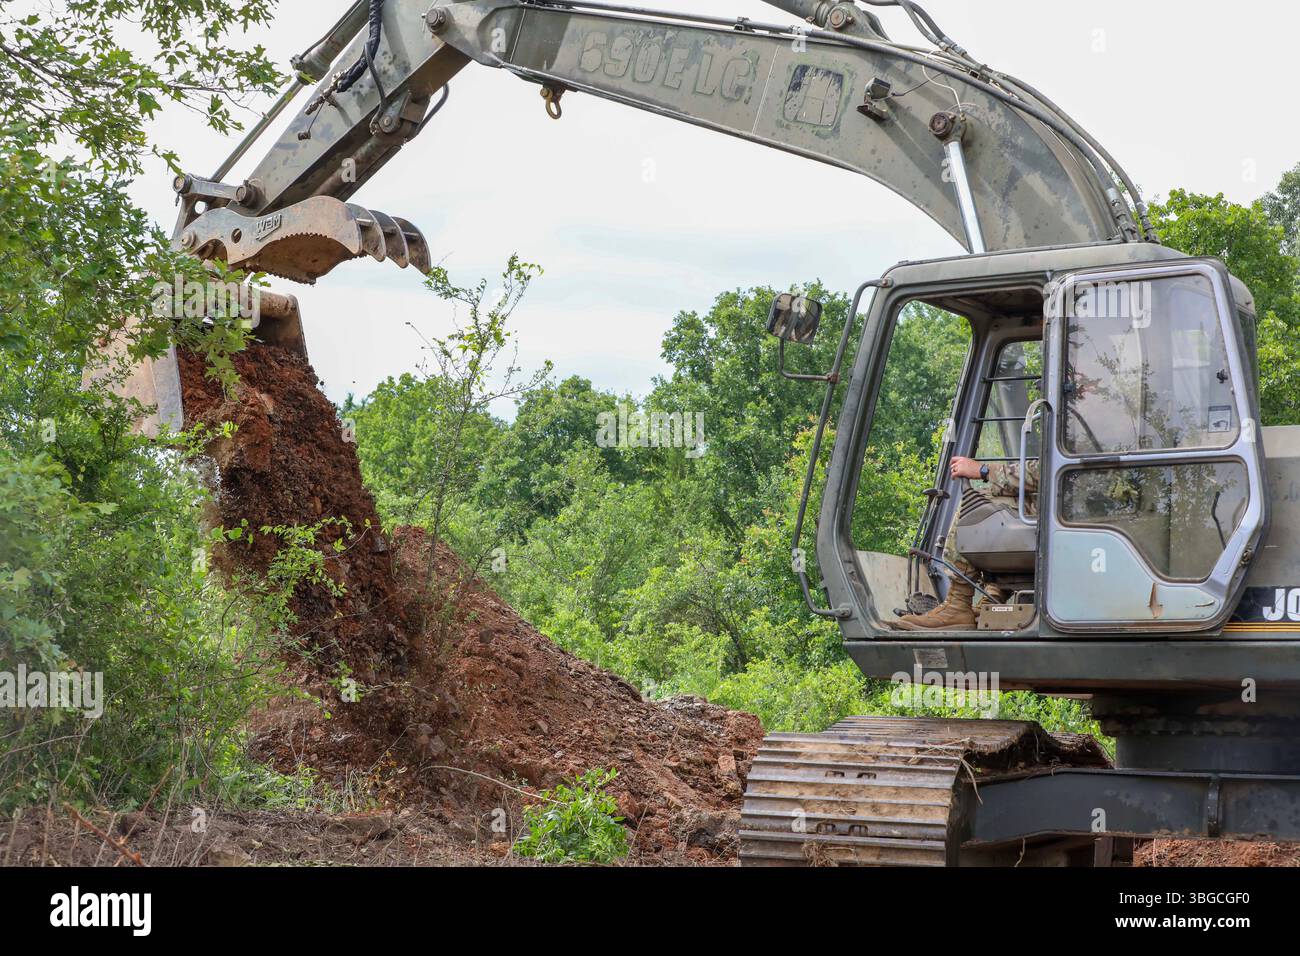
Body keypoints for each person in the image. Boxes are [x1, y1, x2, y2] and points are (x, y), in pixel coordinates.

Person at [892, 455, 1039, 631]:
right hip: (1068, 510)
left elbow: (1042, 473)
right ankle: (993, 596)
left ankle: (957, 605)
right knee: (998, 504)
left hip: (1063, 512)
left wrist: (983, 470)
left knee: (976, 508)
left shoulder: (1076, 434)